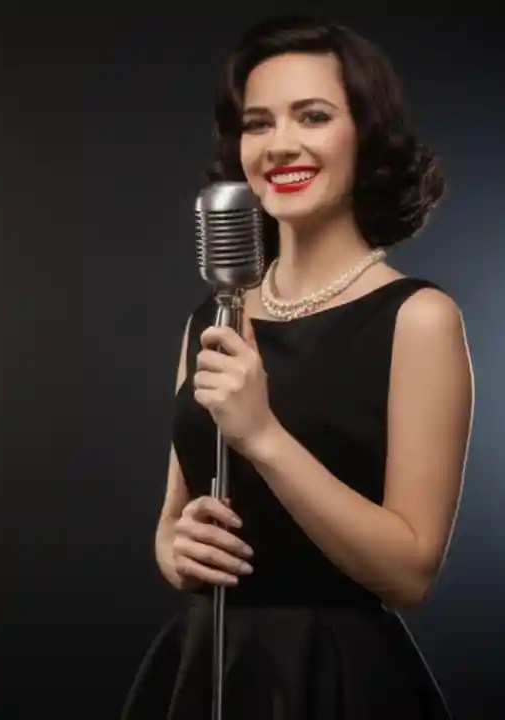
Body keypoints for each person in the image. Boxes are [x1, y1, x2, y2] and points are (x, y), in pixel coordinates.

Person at [122, 14, 473, 719]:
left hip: (335, 679)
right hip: (209, 665)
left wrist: (264, 436)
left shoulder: (420, 318)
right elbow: (172, 522)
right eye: (258, 123)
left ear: (366, 135)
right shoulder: (211, 318)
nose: (280, 144)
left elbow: (410, 571)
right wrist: (176, 549)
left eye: (312, 116)